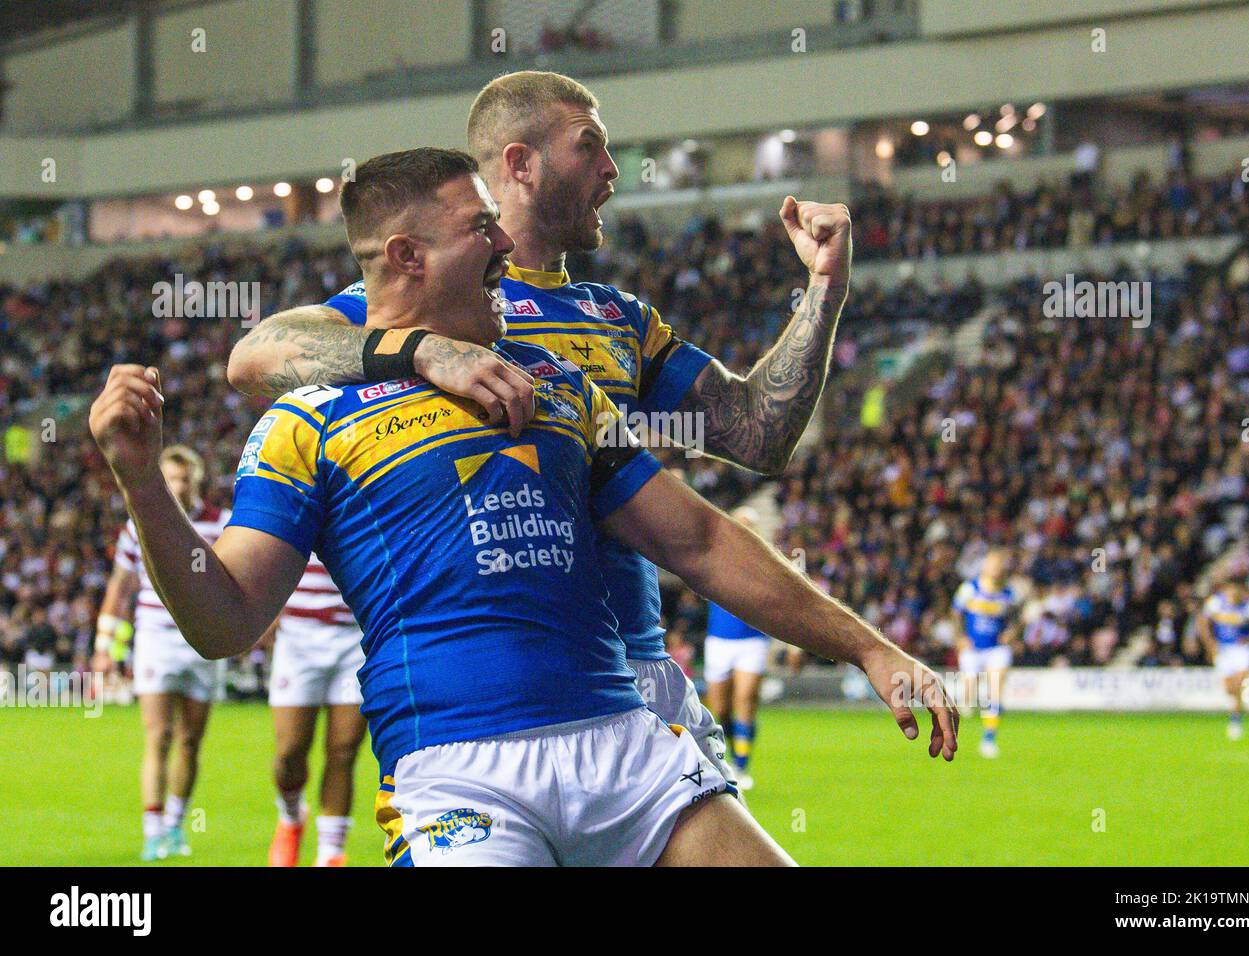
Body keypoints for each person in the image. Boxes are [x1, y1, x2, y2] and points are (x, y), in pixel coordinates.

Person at [93, 147, 956, 867]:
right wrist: (139, 484)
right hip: (459, 772)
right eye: (480, 229)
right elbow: (225, 619)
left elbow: (696, 538)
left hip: (624, 742)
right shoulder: (310, 417)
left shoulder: (559, 385)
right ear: (406, 257)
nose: (506, 241)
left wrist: (870, 652)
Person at [226, 71, 852, 792]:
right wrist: (426, 350)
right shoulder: (416, 308)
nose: (613, 170)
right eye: (592, 147)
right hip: (509, 706)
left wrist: (823, 291)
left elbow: (755, 433)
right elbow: (255, 356)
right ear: (520, 164)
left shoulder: (618, 319)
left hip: (637, 675)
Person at [93, 445, 226, 860]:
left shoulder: (222, 525)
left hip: (203, 644)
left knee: (190, 741)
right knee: (159, 736)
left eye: (185, 479)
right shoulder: (140, 525)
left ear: (197, 482)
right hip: (156, 639)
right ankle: (153, 831)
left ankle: (175, 826)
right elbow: (120, 586)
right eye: (170, 478)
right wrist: (104, 647)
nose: (178, 486)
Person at [264, 554, 367, 867]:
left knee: (343, 750)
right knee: (290, 751)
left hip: (355, 636)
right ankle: (292, 815)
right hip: (298, 636)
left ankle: (331, 853)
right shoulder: (300, 503)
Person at [703, 506, 772, 791]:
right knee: (719, 708)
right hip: (719, 640)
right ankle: (731, 754)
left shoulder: (765, 562)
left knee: (745, 699)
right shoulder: (714, 556)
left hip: (752, 640)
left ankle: (741, 766)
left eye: (749, 524)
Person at [952, 549, 1017, 759]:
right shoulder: (970, 589)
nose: (996, 570)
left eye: (1000, 566)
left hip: (996, 648)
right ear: (985, 567)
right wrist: (960, 637)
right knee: (969, 695)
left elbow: (1016, 620)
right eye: (993, 565)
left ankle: (989, 739)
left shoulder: (1008, 593)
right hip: (972, 648)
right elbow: (955, 613)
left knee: (995, 690)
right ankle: (967, 700)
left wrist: (1012, 632)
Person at [1198, 577, 1249, 740]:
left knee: (1240, 682)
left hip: (1243, 650)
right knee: (1230, 689)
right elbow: (1203, 622)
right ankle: (1238, 708)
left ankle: (1235, 720)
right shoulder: (1216, 603)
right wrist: (1210, 643)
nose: (1232, 592)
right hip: (1223, 648)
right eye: (1229, 588)